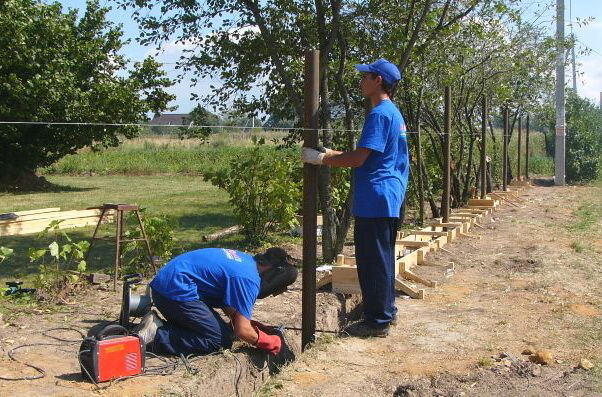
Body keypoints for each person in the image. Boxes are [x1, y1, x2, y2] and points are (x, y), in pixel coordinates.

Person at [302, 58, 408, 337]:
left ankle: (377, 322)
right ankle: (386, 311)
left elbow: (360, 159)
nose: (360, 81)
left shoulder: (379, 114)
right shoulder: (392, 113)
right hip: (388, 195)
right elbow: (371, 155)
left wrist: (322, 159)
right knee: (382, 259)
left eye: (365, 77)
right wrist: (331, 154)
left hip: (375, 197)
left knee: (372, 261)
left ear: (378, 81)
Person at [134, 247, 298, 356]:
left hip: (167, 286)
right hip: (174, 292)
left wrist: (240, 319)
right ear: (275, 275)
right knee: (218, 341)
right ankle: (157, 334)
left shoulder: (245, 261)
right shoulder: (249, 279)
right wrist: (269, 341)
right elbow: (243, 332)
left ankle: (165, 327)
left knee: (220, 330)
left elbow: (227, 302)